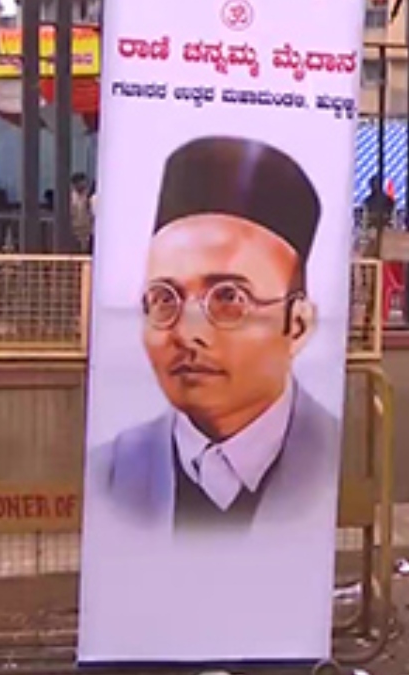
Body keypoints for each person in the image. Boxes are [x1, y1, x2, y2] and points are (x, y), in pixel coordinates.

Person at [88, 136, 338, 533]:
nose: (187, 333)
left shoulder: (337, 464)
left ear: (298, 325)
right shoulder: (109, 473)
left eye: (229, 299)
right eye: (164, 298)